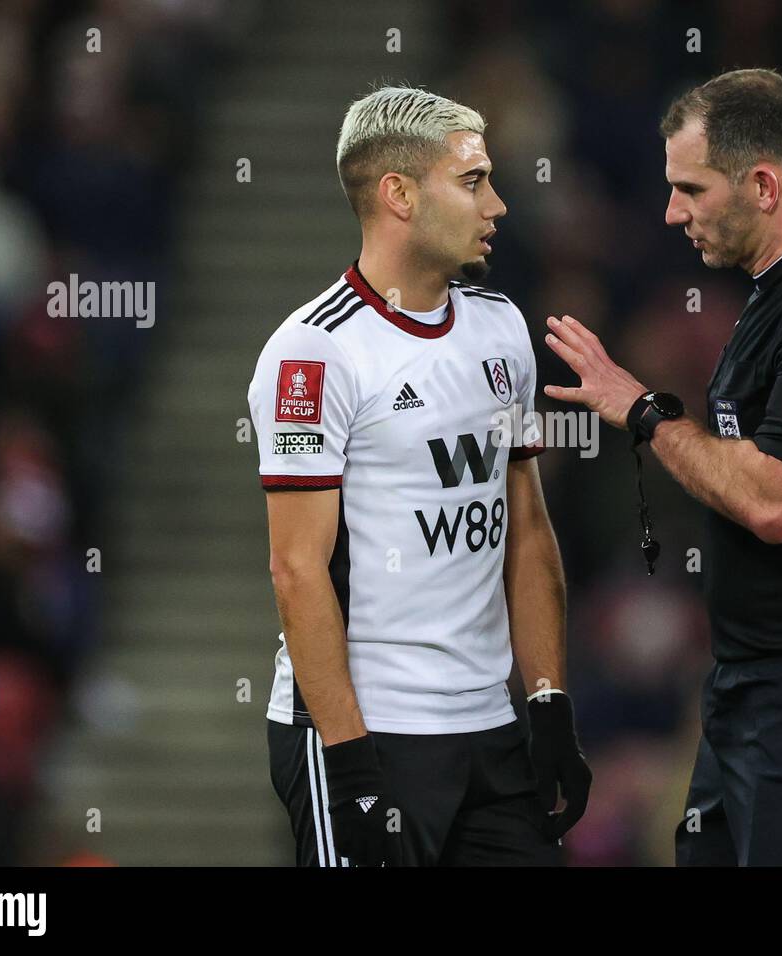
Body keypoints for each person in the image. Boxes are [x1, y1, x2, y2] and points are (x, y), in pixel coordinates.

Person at [543, 68, 782, 865]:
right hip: (762, 687)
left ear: (762, 184)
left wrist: (644, 412)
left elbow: (775, 502)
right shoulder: (778, 296)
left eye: (691, 188)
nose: (671, 211)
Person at [248, 85, 590, 866]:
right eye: (472, 181)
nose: (497, 203)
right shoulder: (315, 353)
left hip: (489, 731)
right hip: (371, 730)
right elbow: (297, 568)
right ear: (398, 194)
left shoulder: (502, 328)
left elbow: (526, 529)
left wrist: (546, 702)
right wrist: (347, 758)